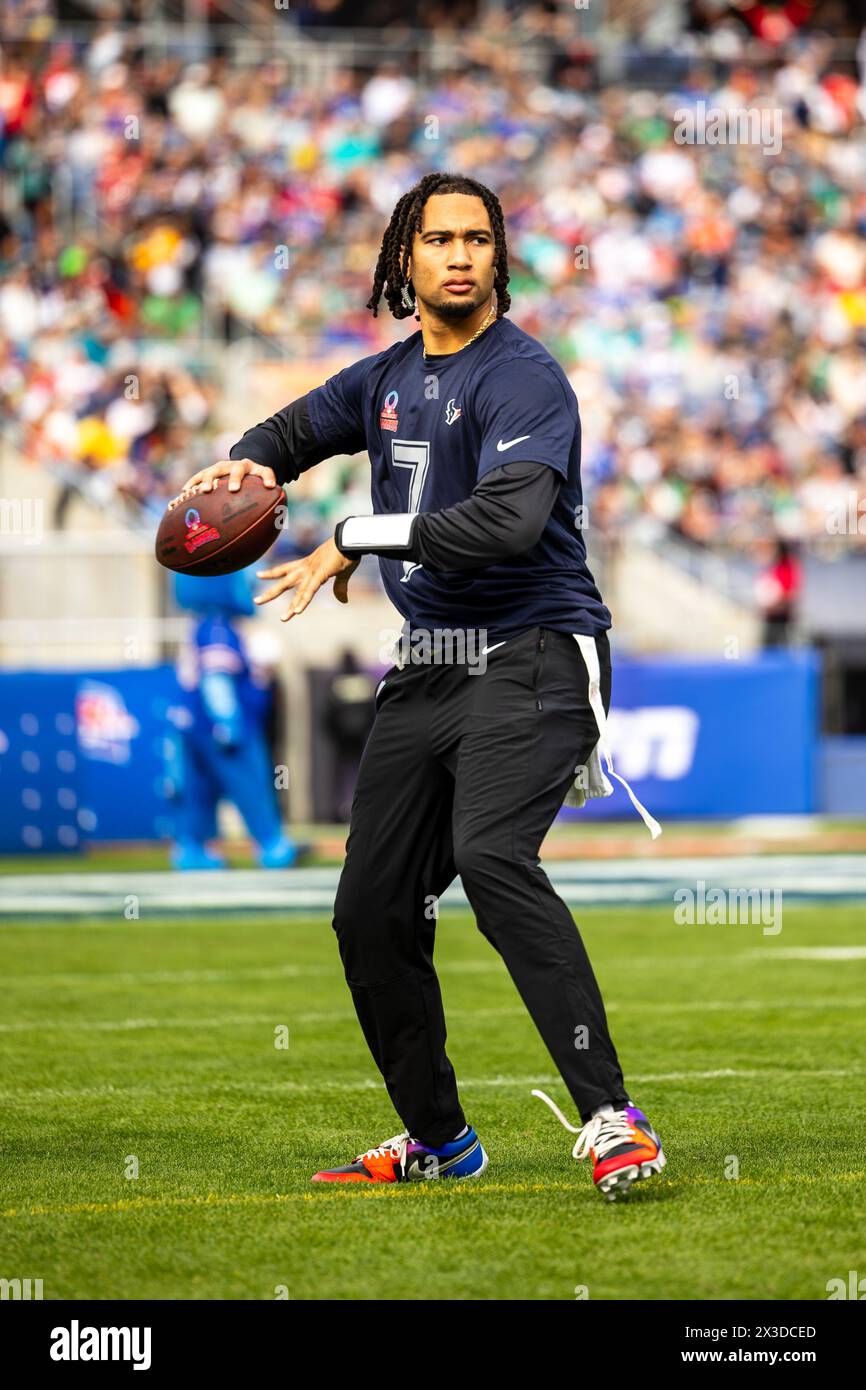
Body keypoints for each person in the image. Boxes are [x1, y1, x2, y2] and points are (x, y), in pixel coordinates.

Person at [178, 172, 665, 1200]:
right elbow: (288, 434)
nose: (458, 255)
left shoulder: (524, 377)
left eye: (476, 239)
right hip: (430, 663)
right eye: (438, 239)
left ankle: (613, 1117)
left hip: (536, 648)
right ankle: (439, 1138)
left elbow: (508, 523)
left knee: (490, 855)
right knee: (369, 910)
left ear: (498, 256)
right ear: (405, 257)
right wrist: (239, 470)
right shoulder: (386, 376)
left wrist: (355, 533)